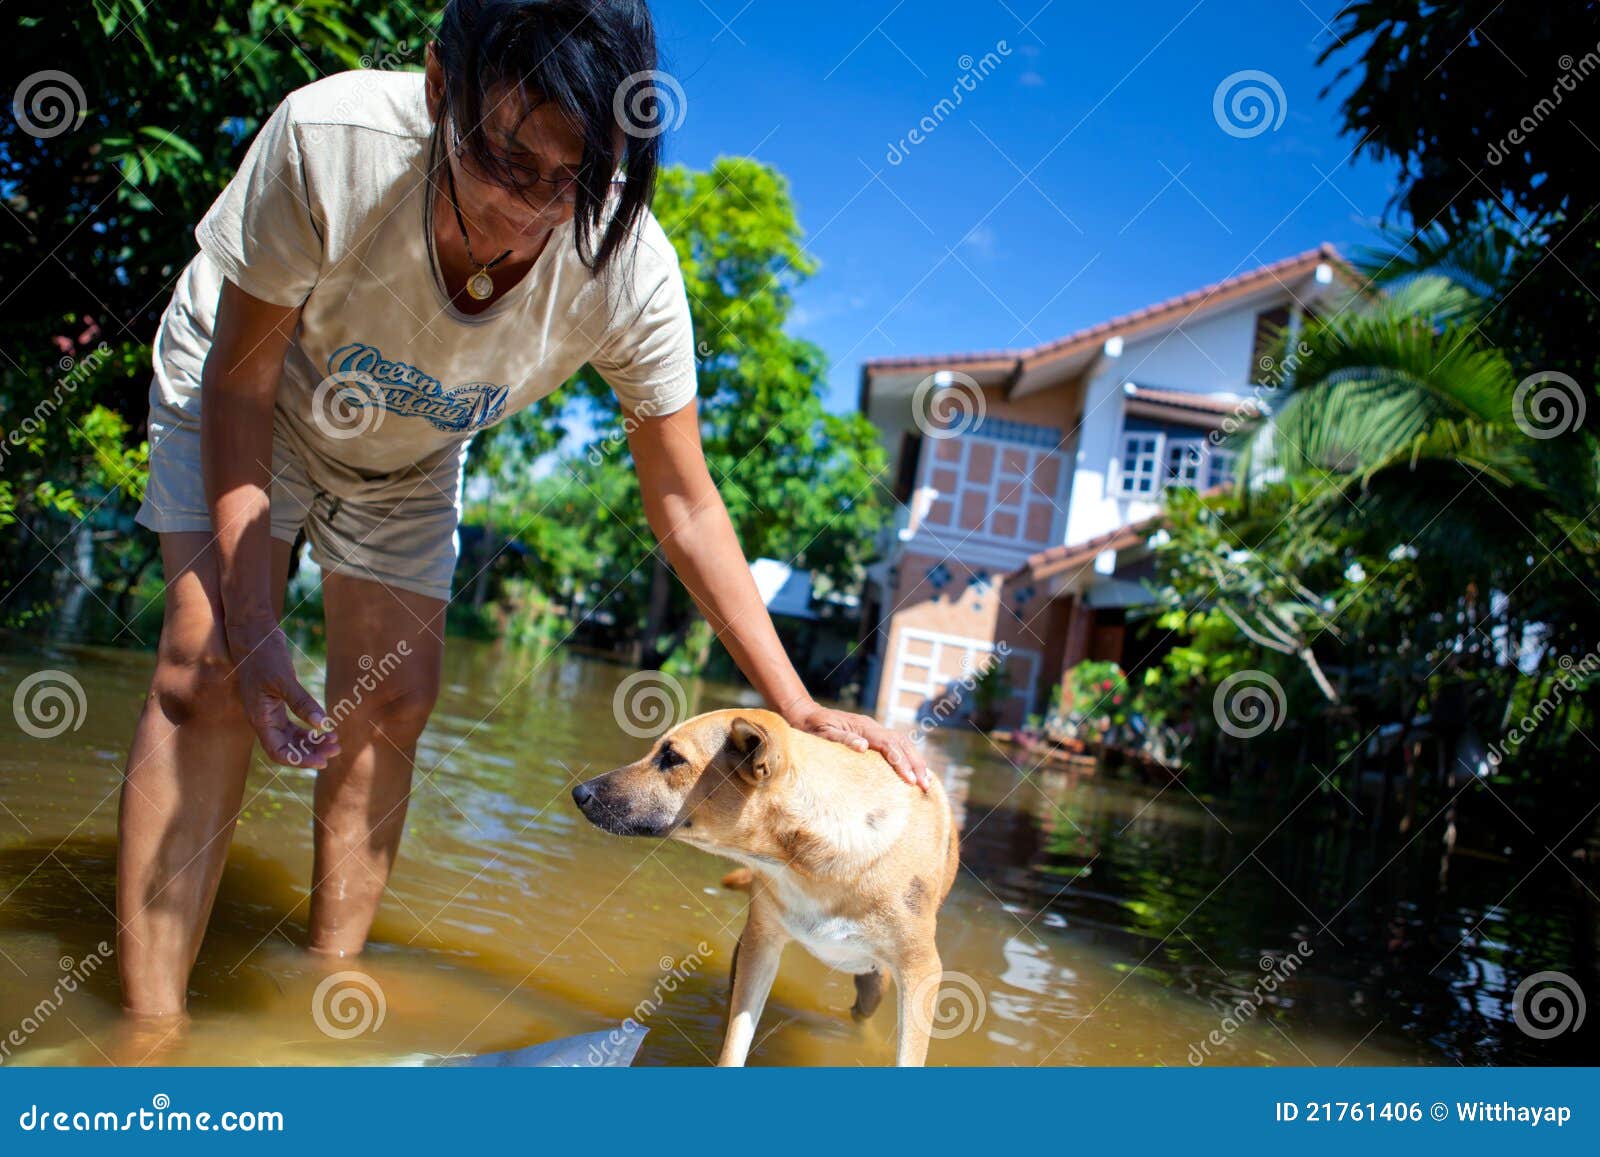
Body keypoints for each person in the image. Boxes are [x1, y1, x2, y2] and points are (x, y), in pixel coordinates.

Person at [118, 0, 928, 1019]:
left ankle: (325, 984)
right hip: (251, 388)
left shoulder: (628, 265)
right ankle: (149, 1029)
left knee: (398, 690)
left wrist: (798, 702)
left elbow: (682, 503)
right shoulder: (332, 143)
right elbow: (237, 388)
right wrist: (249, 615)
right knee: (205, 667)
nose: (532, 211)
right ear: (438, 91)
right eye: (505, 161)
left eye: (572, 179)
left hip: (409, 449)